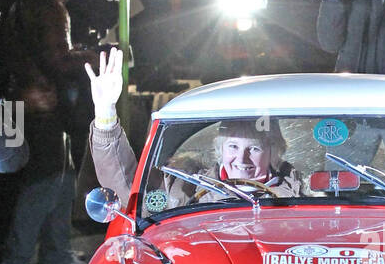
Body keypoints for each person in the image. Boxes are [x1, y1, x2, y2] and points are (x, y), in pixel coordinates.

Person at [85, 48, 302, 208]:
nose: (241, 159)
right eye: (233, 146)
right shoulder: (182, 188)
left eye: (254, 148)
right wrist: (106, 113)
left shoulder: (302, 198)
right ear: (220, 149)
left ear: (274, 152)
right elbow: (127, 188)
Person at [1, 0, 89, 264]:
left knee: (60, 175)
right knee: (47, 176)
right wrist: (92, 57)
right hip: (39, 102)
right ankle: (18, 257)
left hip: (25, 99)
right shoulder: (48, 5)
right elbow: (57, 59)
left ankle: (57, 252)